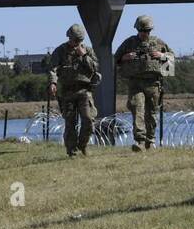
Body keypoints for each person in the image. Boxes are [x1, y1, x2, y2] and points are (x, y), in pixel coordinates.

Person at [114, 15, 173, 151]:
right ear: (137, 29)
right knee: (137, 109)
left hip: (153, 84)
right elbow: (116, 59)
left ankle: (150, 140)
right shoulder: (129, 43)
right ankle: (139, 141)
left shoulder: (158, 43)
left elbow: (171, 60)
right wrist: (125, 57)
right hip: (135, 83)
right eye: (141, 31)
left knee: (151, 113)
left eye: (146, 31)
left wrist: (162, 56)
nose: (144, 33)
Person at [46, 24, 101, 157]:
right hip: (67, 91)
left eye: (79, 40)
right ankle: (72, 151)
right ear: (69, 38)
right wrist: (53, 83)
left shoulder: (87, 50)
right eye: (75, 40)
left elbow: (95, 68)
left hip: (84, 90)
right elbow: (53, 68)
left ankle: (83, 144)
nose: (77, 43)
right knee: (70, 122)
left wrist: (84, 56)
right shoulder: (60, 51)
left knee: (88, 119)